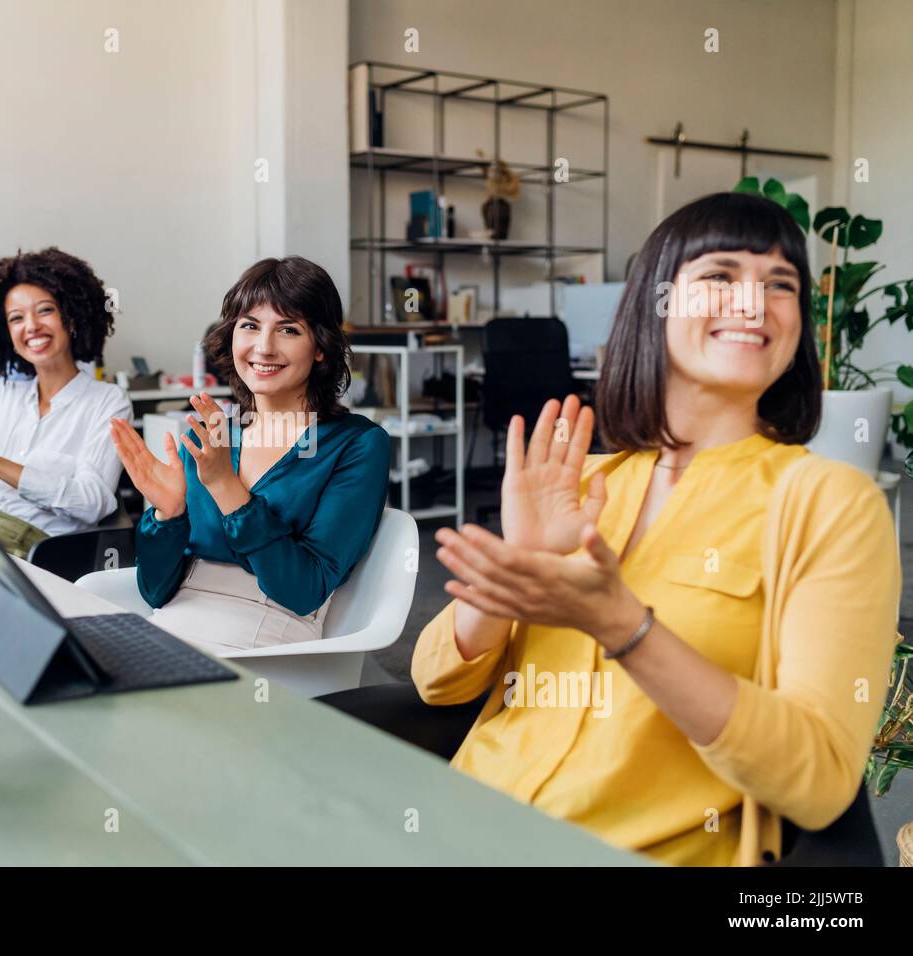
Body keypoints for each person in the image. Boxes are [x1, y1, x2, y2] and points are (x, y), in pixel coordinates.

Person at [361, 192, 898, 866]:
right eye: (721, 276)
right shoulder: (582, 479)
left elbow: (819, 783)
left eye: (780, 284)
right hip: (458, 828)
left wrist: (627, 628)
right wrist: (515, 569)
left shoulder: (829, 503)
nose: (755, 302)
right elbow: (438, 682)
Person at [109, 256, 391, 656]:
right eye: (250, 326)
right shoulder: (211, 433)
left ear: (322, 348)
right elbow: (154, 592)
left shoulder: (358, 444)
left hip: (265, 646)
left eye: (289, 329)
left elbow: (303, 590)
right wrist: (166, 517)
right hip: (171, 629)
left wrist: (225, 486)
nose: (264, 347)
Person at [0, 248, 132, 546]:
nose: (31, 326)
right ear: (7, 333)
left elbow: (92, 503)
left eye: (45, 310)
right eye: (16, 318)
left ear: (72, 318)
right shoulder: (3, 394)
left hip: (38, 558)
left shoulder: (108, 401)